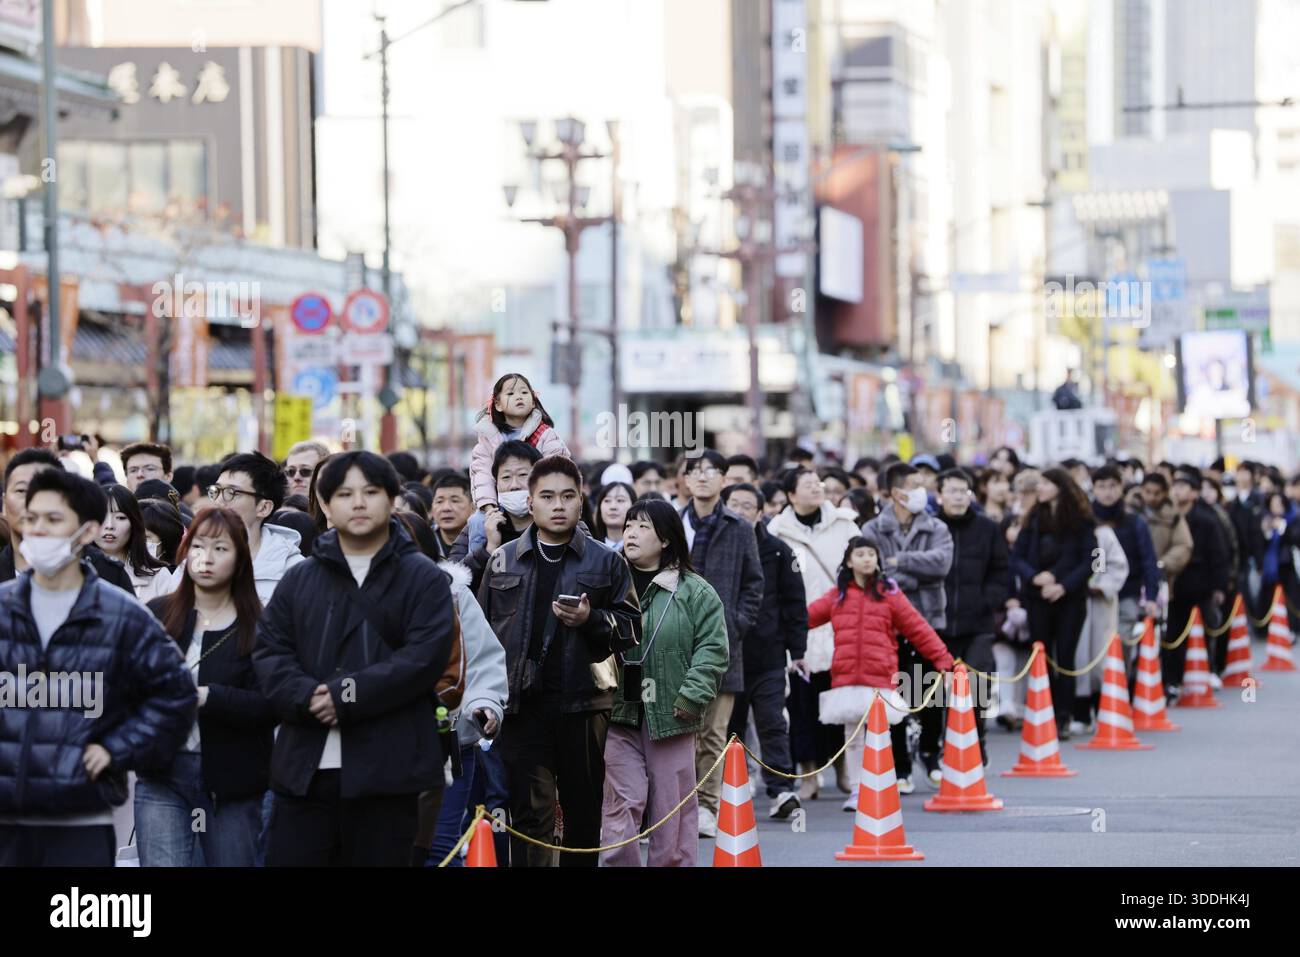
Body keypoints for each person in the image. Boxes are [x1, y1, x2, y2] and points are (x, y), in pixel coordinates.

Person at [254, 451, 457, 867]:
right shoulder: (300, 577)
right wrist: (309, 696)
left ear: (391, 499)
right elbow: (270, 651)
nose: (359, 503)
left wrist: (346, 695)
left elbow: (424, 659)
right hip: (305, 770)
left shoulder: (424, 578)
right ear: (325, 505)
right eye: (345, 494)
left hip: (388, 772)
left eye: (371, 492)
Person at [0, 468, 195, 866]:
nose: (38, 531)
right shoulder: (2, 608)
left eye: (54, 520)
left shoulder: (120, 615)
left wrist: (117, 748)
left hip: (81, 817)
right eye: (33, 519)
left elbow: (176, 695)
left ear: (87, 532)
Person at [478, 455, 641, 866]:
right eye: (547, 496)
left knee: (583, 814)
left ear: (581, 502)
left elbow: (631, 630)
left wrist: (592, 620)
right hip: (522, 707)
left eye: (568, 496)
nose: (558, 505)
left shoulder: (606, 561)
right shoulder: (503, 560)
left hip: (585, 705)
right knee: (531, 815)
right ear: (529, 502)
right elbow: (480, 635)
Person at [137, 508, 275, 866]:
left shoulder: (261, 627)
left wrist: (206, 696)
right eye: (197, 546)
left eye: (220, 548)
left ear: (241, 558)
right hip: (162, 771)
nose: (206, 558)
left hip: (232, 780)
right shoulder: (158, 614)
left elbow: (269, 703)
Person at [602, 499, 728, 866]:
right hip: (618, 711)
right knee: (622, 801)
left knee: (671, 807)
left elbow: (713, 650)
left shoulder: (695, 591)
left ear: (667, 539)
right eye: (628, 526)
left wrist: (691, 696)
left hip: (673, 712)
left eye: (642, 526)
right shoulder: (607, 581)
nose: (630, 533)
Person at [808, 537, 954, 810]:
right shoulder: (836, 596)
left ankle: (879, 787)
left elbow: (918, 628)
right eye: (860, 554)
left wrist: (943, 660)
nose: (866, 559)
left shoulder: (890, 594)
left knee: (879, 735)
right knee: (852, 737)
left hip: (880, 678)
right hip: (847, 678)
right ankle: (856, 790)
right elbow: (805, 618)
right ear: (849, 561)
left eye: (871, 554)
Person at [677, 450, 764, 838]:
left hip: (725, 645)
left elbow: (754, 584)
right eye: (694, 471)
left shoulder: (739, 527)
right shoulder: (673, 523)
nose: (701, 477)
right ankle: (677, 807)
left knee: (714, 732)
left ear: (724, 479)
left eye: (710, 471)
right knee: (679, 732)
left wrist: (736, 623)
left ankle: (708, 806)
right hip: (675, 643)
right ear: (685, 479)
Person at [765, 467, 860, 800]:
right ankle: (807, 774)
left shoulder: (845, 524)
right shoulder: (777, 531)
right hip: (799, 629)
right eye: (807, 485)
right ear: (791, 494)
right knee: (802, 707)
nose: (817, 488)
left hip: (840, 626)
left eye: (818, 483)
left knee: (839, 703)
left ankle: (843, 770)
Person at [861, 462, 953, 790]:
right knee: (895, 694)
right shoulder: (873, 529)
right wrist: (912, 572)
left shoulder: (936, 527)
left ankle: (931, 754)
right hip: (888, 624)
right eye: (915, 485)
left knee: (929, 690)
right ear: (898, 493)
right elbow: (876, 574)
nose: (922, 489)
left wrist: (901, 563)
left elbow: (941, 565)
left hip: (928, 619)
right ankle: (900, 765)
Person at [721, 483, 805, 819]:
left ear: (760, 514)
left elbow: (795, 603)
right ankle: (730, 790)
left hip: (770, 654)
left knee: (772, 721)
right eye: (733, 504)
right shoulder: (716, 547)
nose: (739, 511)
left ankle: (781, 790)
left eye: (747, 506)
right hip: (727, 654)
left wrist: (798, 649)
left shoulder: (779, 551)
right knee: (730, 727)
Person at [925, 467, 1010, 778]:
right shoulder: (931, 528)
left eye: (963, 491)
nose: (958, 497)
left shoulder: (988, 529)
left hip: (978, 623)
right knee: (932, 691)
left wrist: (988, 601)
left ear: (971, 495)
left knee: (977, 686)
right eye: (951, 491)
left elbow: (1002, 571)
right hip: (937, 624)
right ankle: (934, 750)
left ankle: (978, 741)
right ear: (939, 495)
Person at [424, 560, 508, 868]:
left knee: (441, 848)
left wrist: (484, 703)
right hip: (376, 748)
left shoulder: (453, 592)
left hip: (449, 742)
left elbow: (483, 661)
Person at [1010, 468, 1097, 738]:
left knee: (1066, 657)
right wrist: (1034, 578)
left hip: (1071, 597)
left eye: (1046, 483)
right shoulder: (1033, 518)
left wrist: (1062, 583)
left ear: (1060, 486)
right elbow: (1017, 557)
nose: (1041, 488)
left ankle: (1064, 716)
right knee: (1042, 657)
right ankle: (1043, 713)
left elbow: (1093, 560)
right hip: (1037, 597)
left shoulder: (1083, 519)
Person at [162, 451, 305, 606]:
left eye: (231, 492)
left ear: (264, 507)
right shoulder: (194, 558)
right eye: (216, 491)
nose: (219, 501)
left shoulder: (293, 570)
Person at [1, 449, 136, 595]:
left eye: (44, 489)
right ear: (4, 500)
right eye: (21, 490)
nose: (32, 500)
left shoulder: (108, 573)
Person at [1091, 465, 1161, 673]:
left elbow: (1148, 559)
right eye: (1102, 486)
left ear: (1121, 488)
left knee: (1121, 642)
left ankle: (1122, 689)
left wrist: (1151, 596)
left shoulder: (1134, 522)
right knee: (1096, 648)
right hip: (1094, 595)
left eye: (1112, 486)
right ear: (1093, 489)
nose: (1107, 492)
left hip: (1127, 593)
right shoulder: (1086, 521)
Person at [1165, 469, 1229, 694]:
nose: (1177, 491)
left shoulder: (1206, 518)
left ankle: (1209, 669)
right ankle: (1173, 678)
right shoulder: (1167, 517)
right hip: (1175, 585)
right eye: (1175, 486)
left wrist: (1220, 586)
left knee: (1208, 628)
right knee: (1173, 632)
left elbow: (1218, 554)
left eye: (1183, 487)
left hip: (1202, 584)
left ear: (1193, 493)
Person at [469, 373, 571, 511]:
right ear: (498, 404)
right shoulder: (487, 438)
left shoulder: (546, 436)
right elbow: (482, 474)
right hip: (500, 505)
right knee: (476, 523)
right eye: (510, 393)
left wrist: (544, 504)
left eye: (524, 392)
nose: (519, 397)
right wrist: (488, 507)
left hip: (541, 506)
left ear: (533, 401)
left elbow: (559, 473)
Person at [452, 441, 543, 592]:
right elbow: (455, 583)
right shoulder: (479, 525)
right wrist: (488, 549)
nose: (514, 485)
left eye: (522, 475)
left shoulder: (555, 523)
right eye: (506, 477)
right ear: (496, 484)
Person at [1072, 513, 1129, 733]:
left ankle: (1103, 709)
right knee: (1076, 657)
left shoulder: (1102, 533)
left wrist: (1102, 585)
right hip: (1073, 599)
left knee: (1099, 657)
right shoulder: (1069, 532)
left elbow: (1116, 565)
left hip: (1099, 604)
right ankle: (1079, 712)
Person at [95, 484, 171, 602]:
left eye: (120, 517)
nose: (109, 526)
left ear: (134, 523)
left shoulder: (158, 576)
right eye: (101, 516)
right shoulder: (74, 571)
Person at [431, 472, 475, 561]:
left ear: (473, 508)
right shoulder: (423, 540)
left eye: (455, 501)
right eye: (439, 501)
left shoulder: (483, 540)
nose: (446, 508)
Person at [592, 481, 635, 550]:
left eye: (620, 500)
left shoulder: (642, 550)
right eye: (607, 500)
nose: (613, 507)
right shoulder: (591, 548)